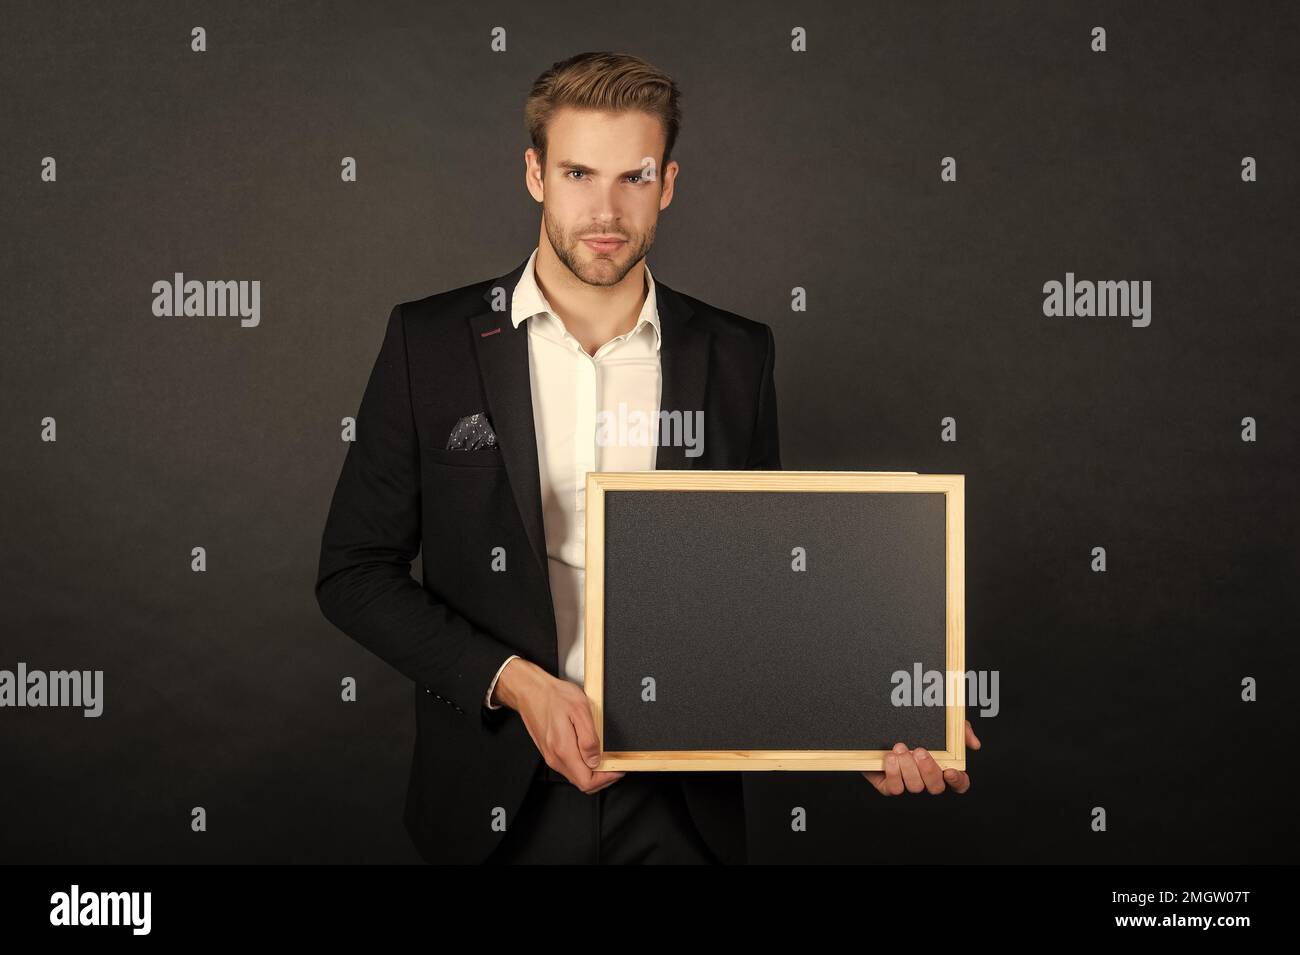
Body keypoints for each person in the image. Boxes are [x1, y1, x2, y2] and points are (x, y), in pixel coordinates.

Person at [315, 50, 978, 866]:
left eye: (633, 177)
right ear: (535, 175)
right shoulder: (429, 343)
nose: (604, 210)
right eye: (578, 174)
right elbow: (353, 571)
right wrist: (518, 683)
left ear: (666, 183)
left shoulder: (738, 354)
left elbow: (767, 576)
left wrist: (866, 715)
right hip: (494, 797)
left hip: (683, 803)